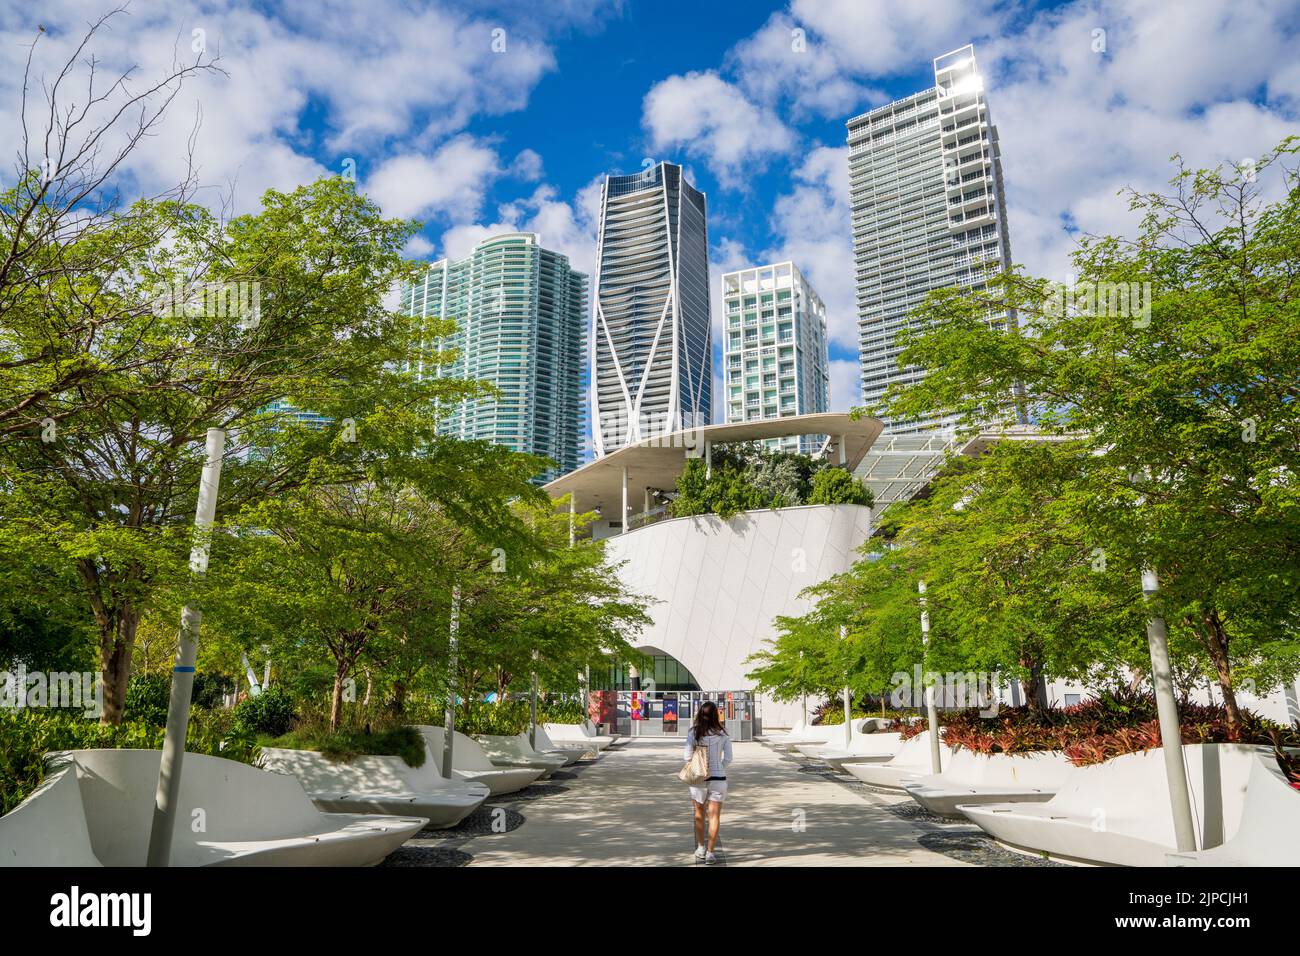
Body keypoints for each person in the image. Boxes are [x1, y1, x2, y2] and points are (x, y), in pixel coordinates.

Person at [684, 700, 732, 864]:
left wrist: (699, 765)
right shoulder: (723, 734)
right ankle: (711, 853)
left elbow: (687, 757)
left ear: (699, 714)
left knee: (699, 814)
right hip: (718, 779)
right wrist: (718, 767)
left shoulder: (693, 732)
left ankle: (701, 848)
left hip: (698, 778)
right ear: (715, 715)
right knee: (714, 816)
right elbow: (728, 758)